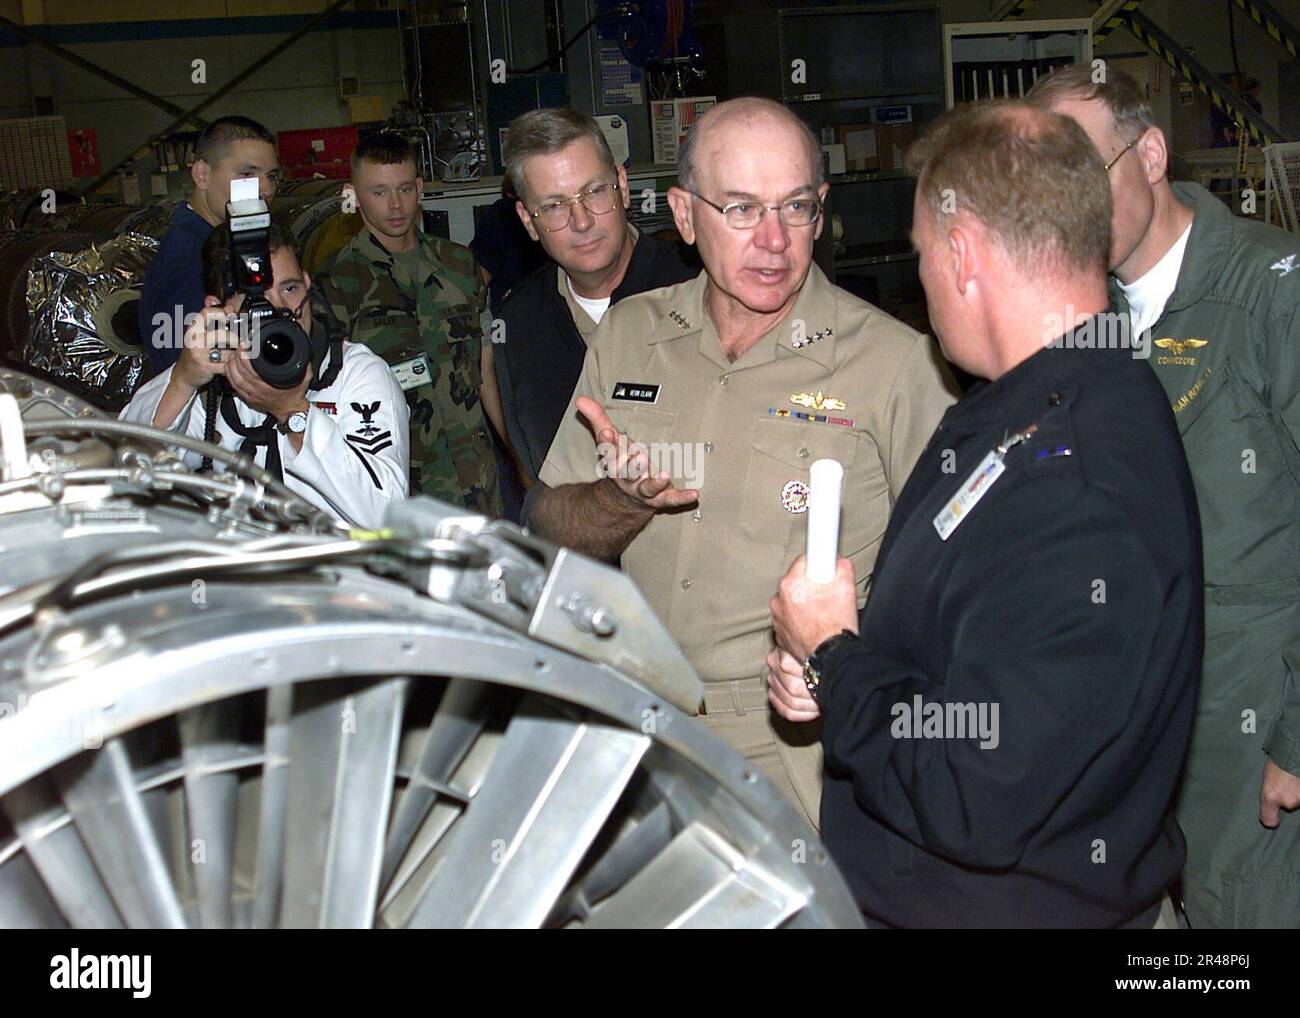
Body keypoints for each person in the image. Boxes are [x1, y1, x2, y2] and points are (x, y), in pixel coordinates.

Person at [767, 100, 1203, 928]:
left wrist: (836, 652)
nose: (922, 276)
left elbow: (976, 788)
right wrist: (836, 665)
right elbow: (975, 636)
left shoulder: (1076, 485)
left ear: (963, 254)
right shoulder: (1027, 401)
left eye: (924, 254)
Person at [528, 97, 958, 830]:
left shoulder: (896, 363)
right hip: (638, 727)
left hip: (795, 745)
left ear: (822, 211)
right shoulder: (632, 335)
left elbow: (958, 579)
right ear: (685, 215)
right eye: (740, 209)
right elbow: (548, 527)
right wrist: (624, 499)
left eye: (796, 208)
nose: (774, 241)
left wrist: (857, 673)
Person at [1030, 65, 1300, 930]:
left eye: (1084, 175)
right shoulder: (1081, 323)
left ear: (1149, 153)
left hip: (1256, 720)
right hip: (1143, 729)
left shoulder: (1269, 292)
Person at [122, 218, 408, 528]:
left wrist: (293, 412)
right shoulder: (211, 385)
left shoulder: (356, 373)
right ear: (218, 309)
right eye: (256, 301)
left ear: (308, 284)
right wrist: (182, 380)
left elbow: (388, 516)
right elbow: (126, 475)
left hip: (338, 571)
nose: (281, 310)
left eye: (289, 288)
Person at [496, 108, 696, 483]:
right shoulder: (518, 323)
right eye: (554, 206)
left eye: (593, 191)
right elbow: (534, 478)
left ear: (622, 185)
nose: (583, 221)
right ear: (528, 220)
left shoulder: (697, 292)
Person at [312, 131, 503, 517]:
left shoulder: (460, 266)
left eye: (404, 189)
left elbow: (485, 367)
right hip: (401, 492)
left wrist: (516, 454)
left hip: (477, 482)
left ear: (419, 188)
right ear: (354, 195)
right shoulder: (337, 285)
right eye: (379, 192)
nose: (395, 205)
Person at [139, 116, 280, 375]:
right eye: (247, 174)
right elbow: (185, 368)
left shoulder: (219, 243)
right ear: (202, 175)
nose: (266, 189)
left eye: (271, 176)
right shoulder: (194, 262)